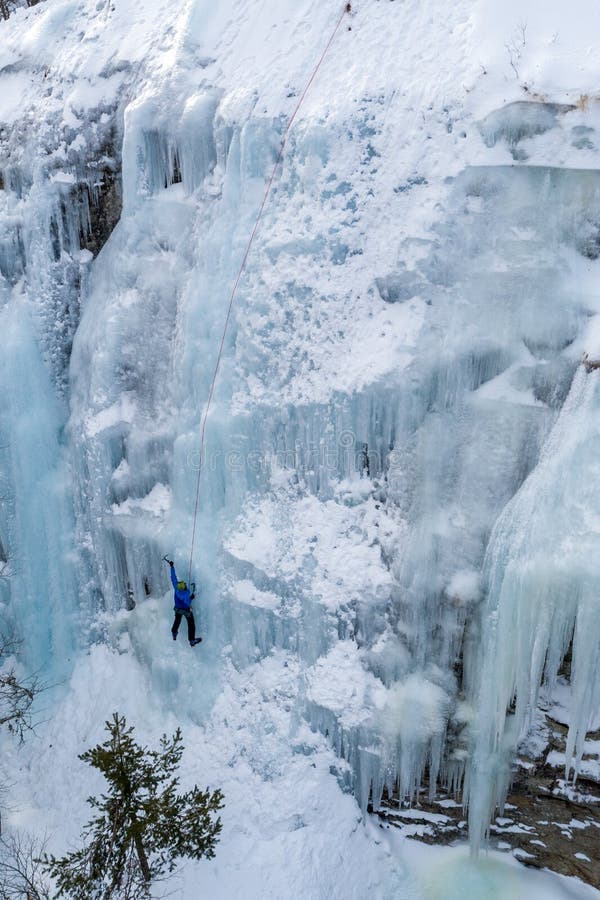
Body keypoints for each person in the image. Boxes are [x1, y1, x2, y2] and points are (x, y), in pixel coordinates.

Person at [167, 560, 202, 647]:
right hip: (185, 610)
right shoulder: (186, 593)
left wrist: (172, 567)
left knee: (177, 621)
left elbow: (173, 578)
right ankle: (192, 640)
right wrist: (191, 597)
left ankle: (174, 633)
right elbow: (187, 602)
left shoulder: (177, 589)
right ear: (184, 587)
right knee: (191, 624)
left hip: (178, 609)